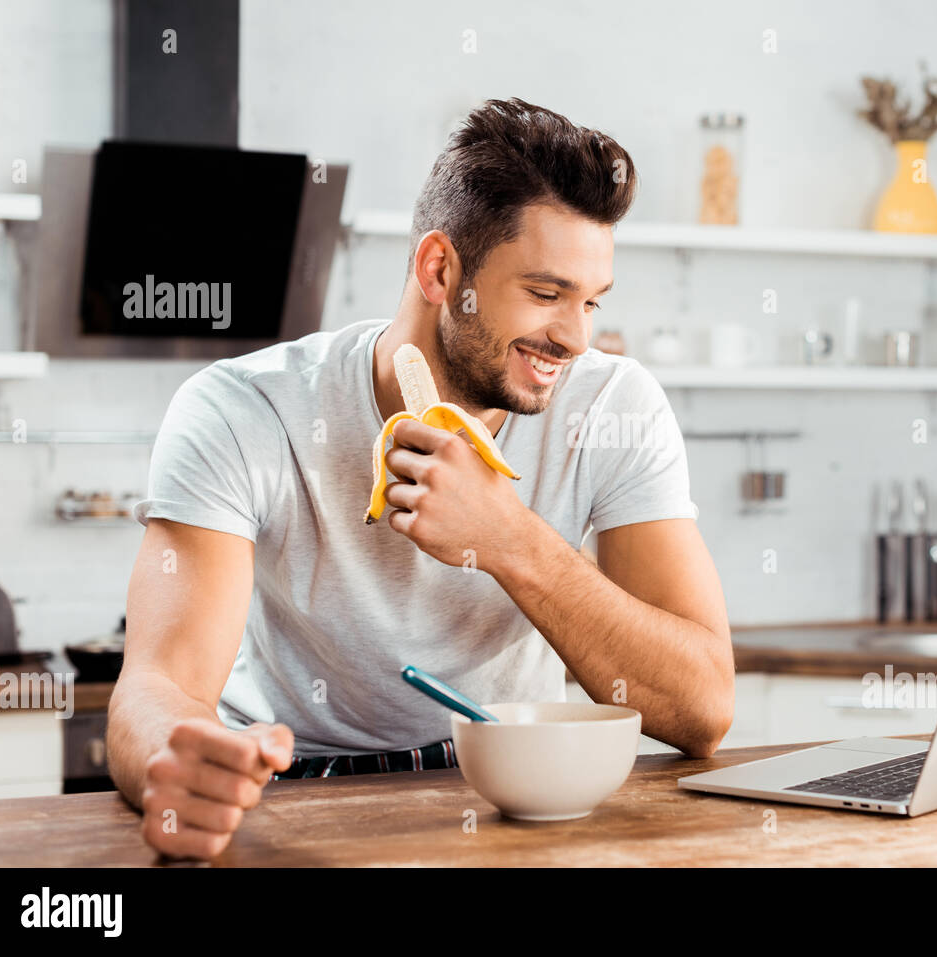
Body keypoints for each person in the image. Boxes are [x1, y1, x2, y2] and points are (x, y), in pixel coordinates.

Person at [107, 97, 733, 860]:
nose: (574, 337)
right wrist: (184, 761)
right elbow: (155, 686)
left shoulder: (613, 407)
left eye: (591, 301)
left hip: (512, 794)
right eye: (545, 294)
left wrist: (509, 538)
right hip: (283, 790)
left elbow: (701, 708)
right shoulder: (243, 409)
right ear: (440, 269)